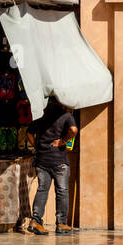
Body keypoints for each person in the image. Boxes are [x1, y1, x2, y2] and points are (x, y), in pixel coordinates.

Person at [28, 98, 78, 235]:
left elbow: (29, 133)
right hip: (59, 161)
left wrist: (37, 146)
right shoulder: (66, 116)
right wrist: (63, 141)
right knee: (62, 191)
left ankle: (36, 221)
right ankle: (61, 223)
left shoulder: (40, 115)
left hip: (42, 160)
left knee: (42, 189)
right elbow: (73, 130)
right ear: (61, 101)